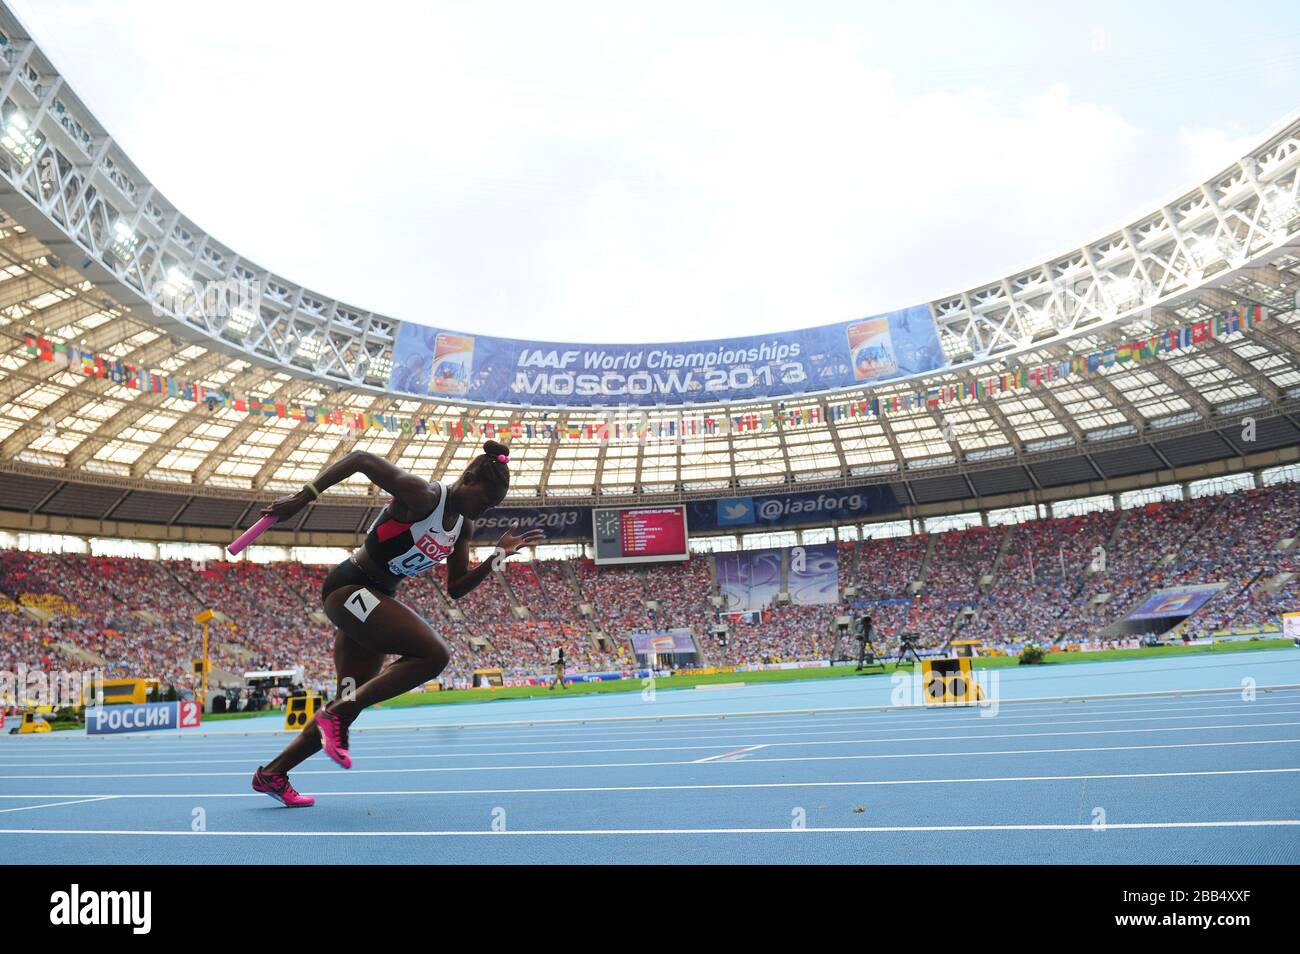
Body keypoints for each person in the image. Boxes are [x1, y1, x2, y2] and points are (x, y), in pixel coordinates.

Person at [251, 440, 544, 807]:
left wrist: (496, 559)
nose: (483, 513)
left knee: (346, 704)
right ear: (468, 479)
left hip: (374, 600)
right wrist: (303, 496)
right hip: (349, 587)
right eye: (483, 503)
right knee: (434, 656)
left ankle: (273, 774)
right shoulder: (422, 496)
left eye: (490, 508)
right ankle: (334, 717)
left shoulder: (462, 527)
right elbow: (359, 459)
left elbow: (455, 588)